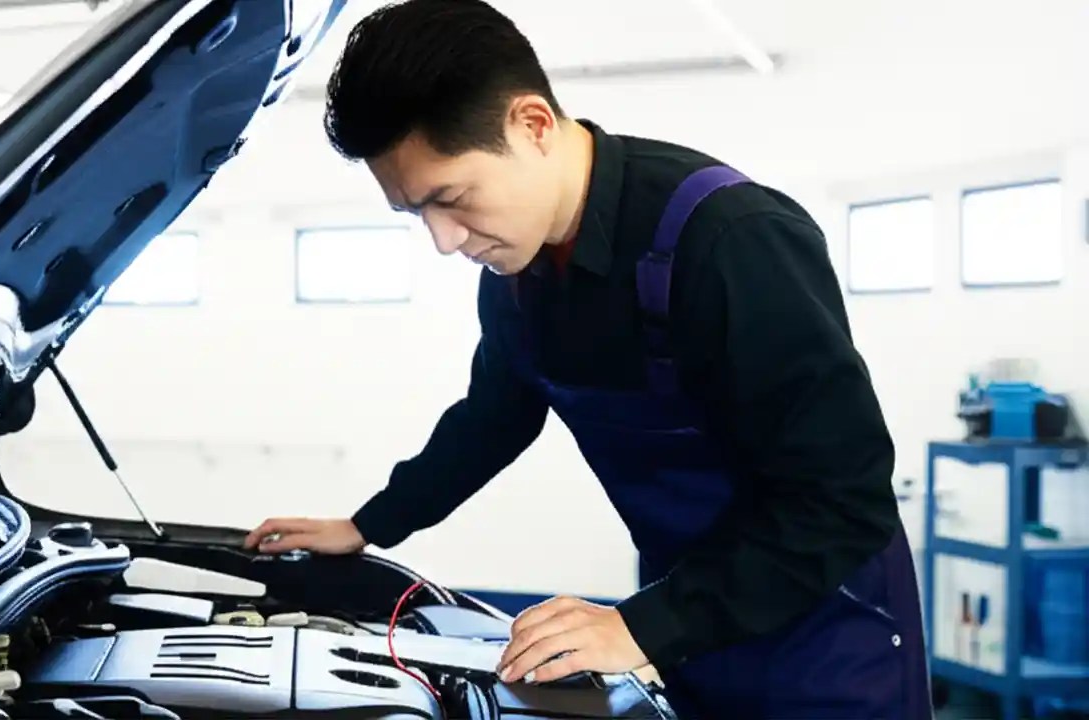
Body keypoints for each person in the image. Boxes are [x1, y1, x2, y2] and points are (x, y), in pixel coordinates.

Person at [243, 0, 932, 716]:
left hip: (828, 642)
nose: (444, 240)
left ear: (533, 125)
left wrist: (640, 625)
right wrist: (372, 524)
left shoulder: (733, 241)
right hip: (693, 625)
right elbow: (495, 416)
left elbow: (841, 504)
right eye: (417, 213)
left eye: (452, 198)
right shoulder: (515, 274)